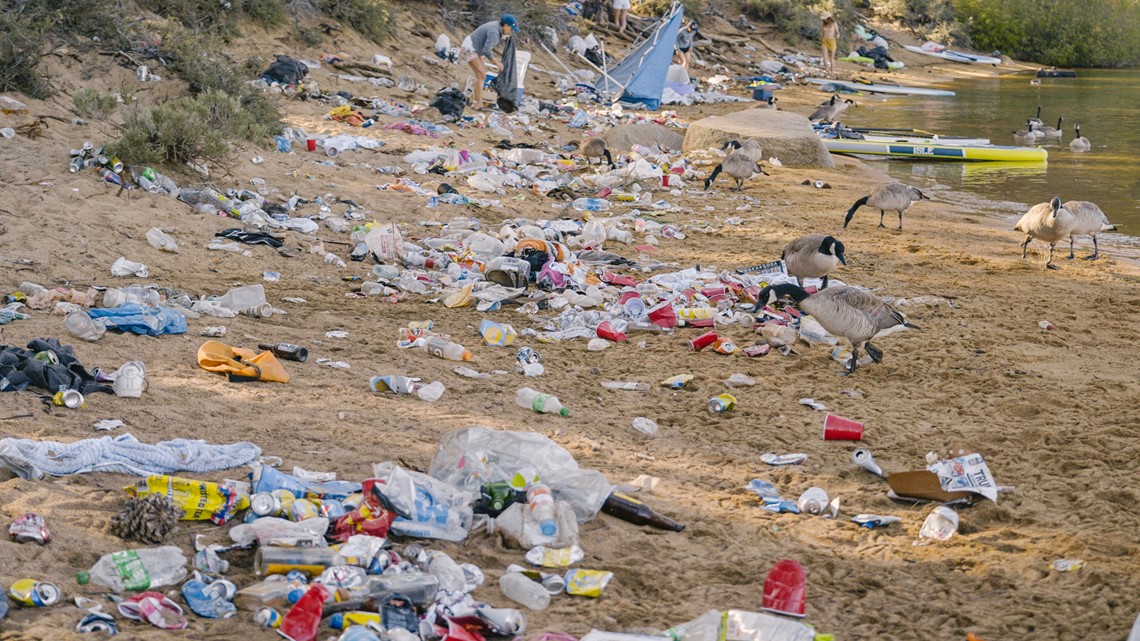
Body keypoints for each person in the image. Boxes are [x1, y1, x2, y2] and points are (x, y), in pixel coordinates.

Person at [460, 15, 518, 110]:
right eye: (511, 29)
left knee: (482, 75)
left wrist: (481, 57)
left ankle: (475, 103)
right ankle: (478, 104)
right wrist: (497, 63)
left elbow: (483, 42)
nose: (511, 32)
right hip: (470, 48)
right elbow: (487, 49)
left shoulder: (497, 29)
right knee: (481, 75)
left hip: (476, 49)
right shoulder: (494, 31)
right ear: (506, 25)